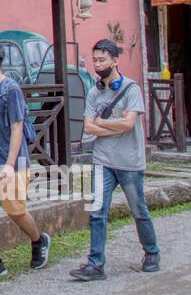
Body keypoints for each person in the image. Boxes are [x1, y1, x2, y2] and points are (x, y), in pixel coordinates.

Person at [69, 39, 161, 281]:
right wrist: (113, 127)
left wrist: (101, 124)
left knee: (138, 210)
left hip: (129, 161)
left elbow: (130, 123)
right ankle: (95, 264)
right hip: (102, 160)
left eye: (102, 60)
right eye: (95, 60)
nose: (98, 64)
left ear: (115, 60)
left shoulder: (131, 90)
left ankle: (152, 252)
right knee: (97, 212)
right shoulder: (93, 92)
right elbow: (87, 127)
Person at [0, 40, 50, 279]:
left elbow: (17, 129)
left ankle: (38, 240)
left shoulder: (10, 90)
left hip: (11, 163)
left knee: (16, 211)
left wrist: (9, 163)